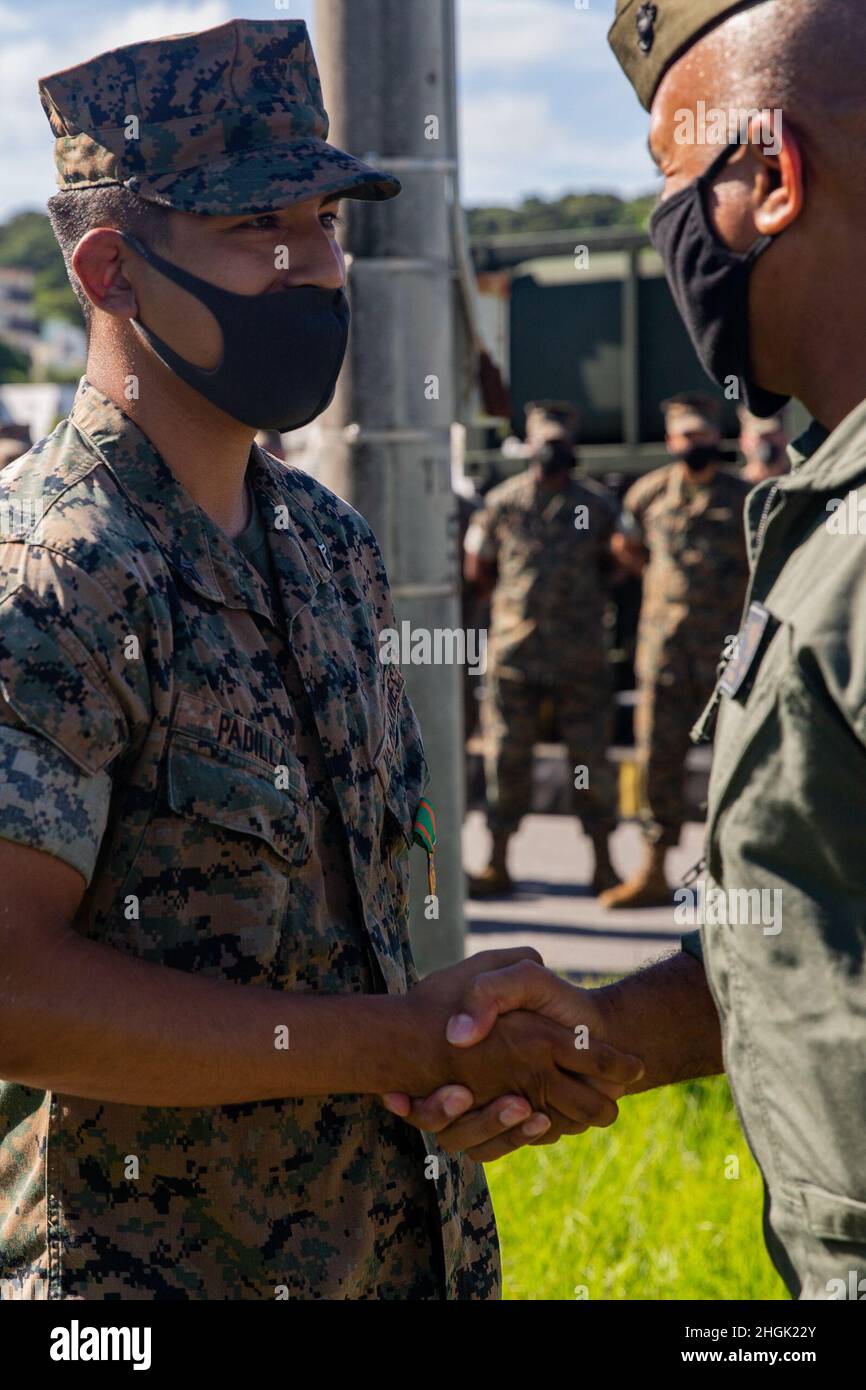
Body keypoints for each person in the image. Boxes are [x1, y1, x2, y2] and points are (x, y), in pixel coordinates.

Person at [0, 19, 644, 1301]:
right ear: (111, 270)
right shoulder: (55, 569)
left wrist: (440, 1053)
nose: (313, 268)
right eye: (257, 230)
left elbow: (351, 942)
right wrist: (379, 1041)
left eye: (326, 224)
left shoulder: (327, 547)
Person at [387, 0, 866, 1304]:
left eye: (671, 182)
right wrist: (606, 1035)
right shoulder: (826, 494)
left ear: (770, 178)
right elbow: (831, 921)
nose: (663, 237)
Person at [464, 400, 621, 897]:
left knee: (588, 762)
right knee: (507, 758)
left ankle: (603, 863)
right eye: (544, 443)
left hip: (580, 657)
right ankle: (497, 860)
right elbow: (479, 569)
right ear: (530, 448)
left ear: (572, 449)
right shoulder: (503, 502)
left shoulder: (594, 505)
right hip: (516, 656)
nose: (552, 452)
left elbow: (616, 566)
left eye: (561, 444)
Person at [601, 392, 751, 907]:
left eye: (705, 434)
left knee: (736, 763)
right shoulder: (647, 495)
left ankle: (737, 875)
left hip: (729, 658)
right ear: (671, 440)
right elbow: (627, 549)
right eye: (687, 435)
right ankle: (653, 870)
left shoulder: (746, 499)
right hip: (663, 654)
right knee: (657, 760)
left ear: (718, 437)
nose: (697, 443)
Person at [737, 405, 789, 483]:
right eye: (762, 437)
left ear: (784, 439)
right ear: (744, 441)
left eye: (772, 436)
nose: (767, 443)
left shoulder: (799, 483)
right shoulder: (731, 489)